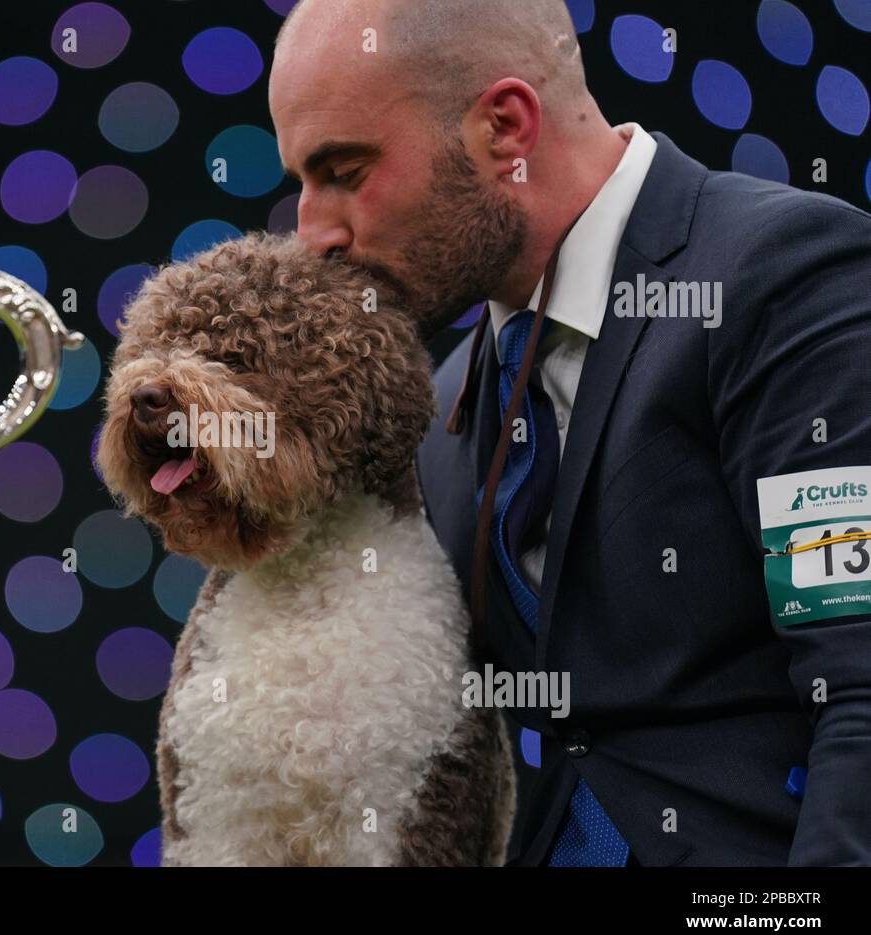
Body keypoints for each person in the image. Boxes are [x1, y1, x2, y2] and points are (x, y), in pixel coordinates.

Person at [269, 0, 871, 865]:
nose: (312, 234)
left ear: (505, 128)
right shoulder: (440, 409)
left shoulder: (787, 280)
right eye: (302, 181)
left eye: (344, 170)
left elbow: (860, 682)